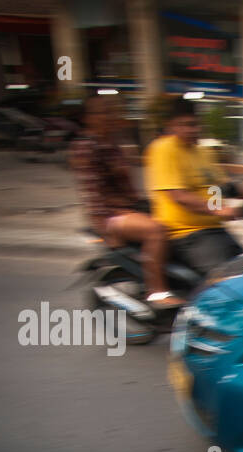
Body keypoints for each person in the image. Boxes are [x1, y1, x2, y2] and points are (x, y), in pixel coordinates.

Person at [70, 93, 182, 309]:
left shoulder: (114, 143)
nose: (109, 116)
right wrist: (107, 229)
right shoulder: (85, 147)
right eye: (103, 112)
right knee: (155, 231)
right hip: (110, 216)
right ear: (88, 117)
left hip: (127, 209)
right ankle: (157, 293)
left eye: (111, 111)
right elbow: (92, 191)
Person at [144, 97, 243, 275]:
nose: (191, 130)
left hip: (216, 230)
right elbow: (178, 195)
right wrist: (217, 210)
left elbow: (218, 186)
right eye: (184, 125)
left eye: (195, 124)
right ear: (171, 126)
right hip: (188, 234)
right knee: (224, 281)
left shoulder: (204, 152)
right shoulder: (164, 148)